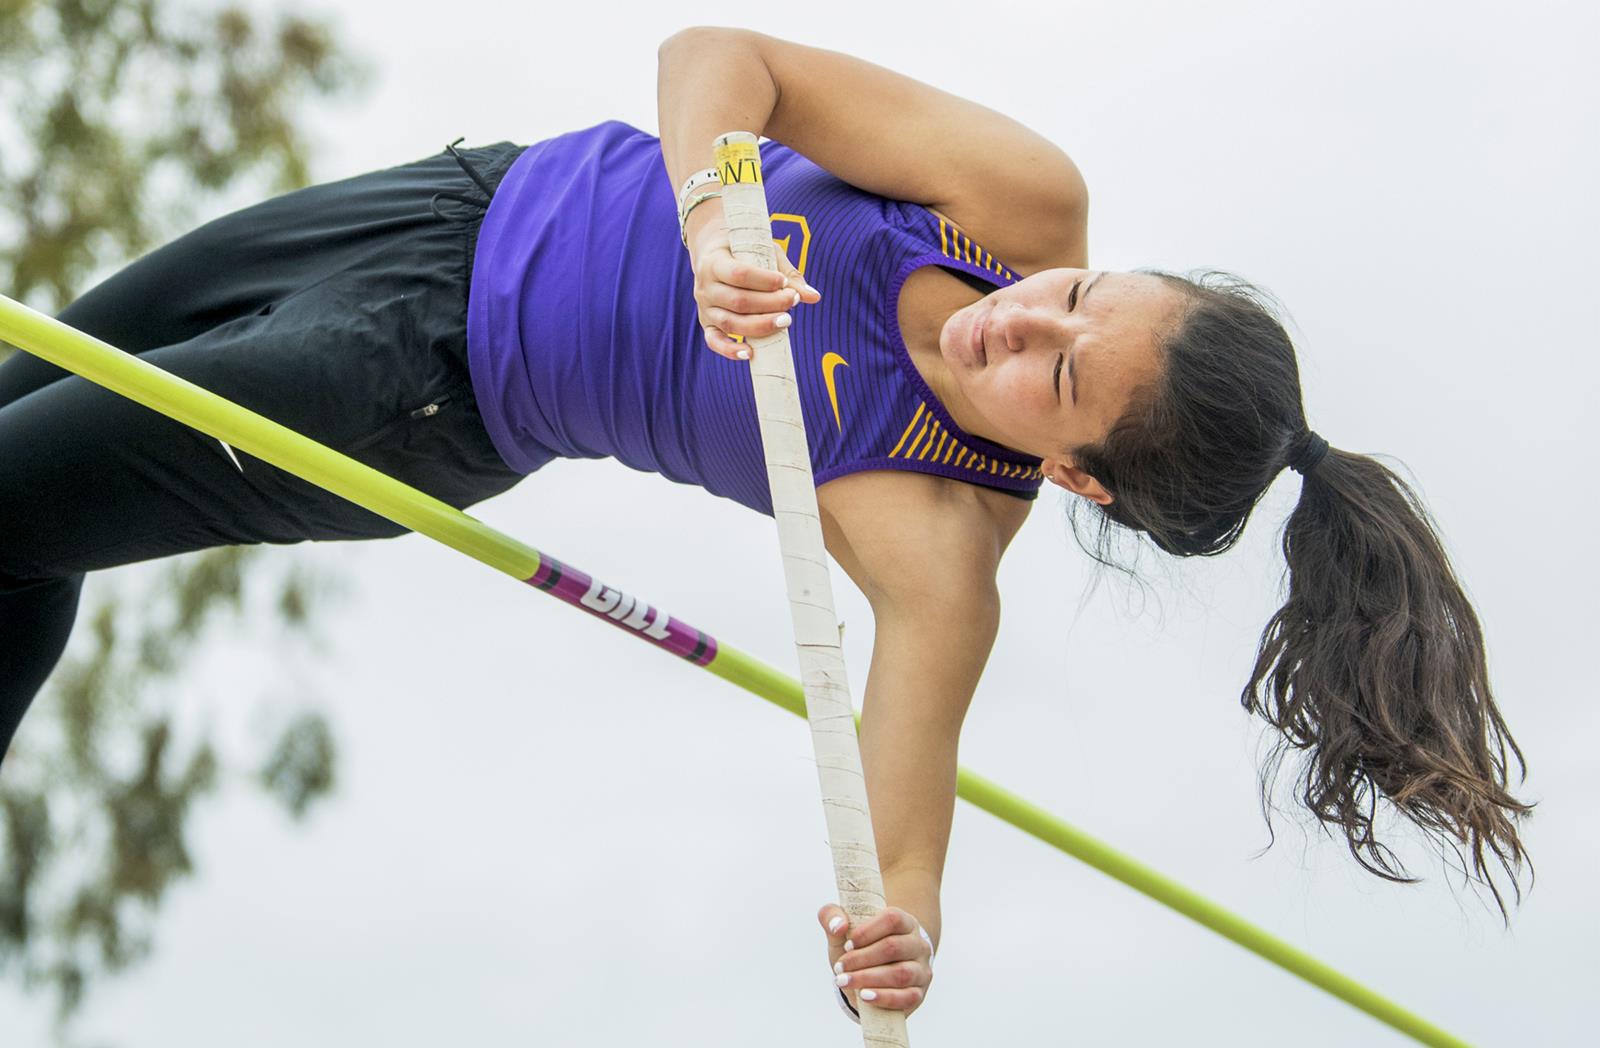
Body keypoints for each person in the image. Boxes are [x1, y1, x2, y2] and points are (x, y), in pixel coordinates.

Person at [0, 26, 1531, 1020]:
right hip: (447, 205)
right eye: (1078, 297)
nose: (1022, 323)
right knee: (21, 423)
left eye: (1057, 377)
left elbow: (901, 841)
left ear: (1078, 479)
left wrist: (903, 934)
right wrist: (710, 205)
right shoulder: (1020, 204)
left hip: (411, 395)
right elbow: (723, 59)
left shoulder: (939, 548)